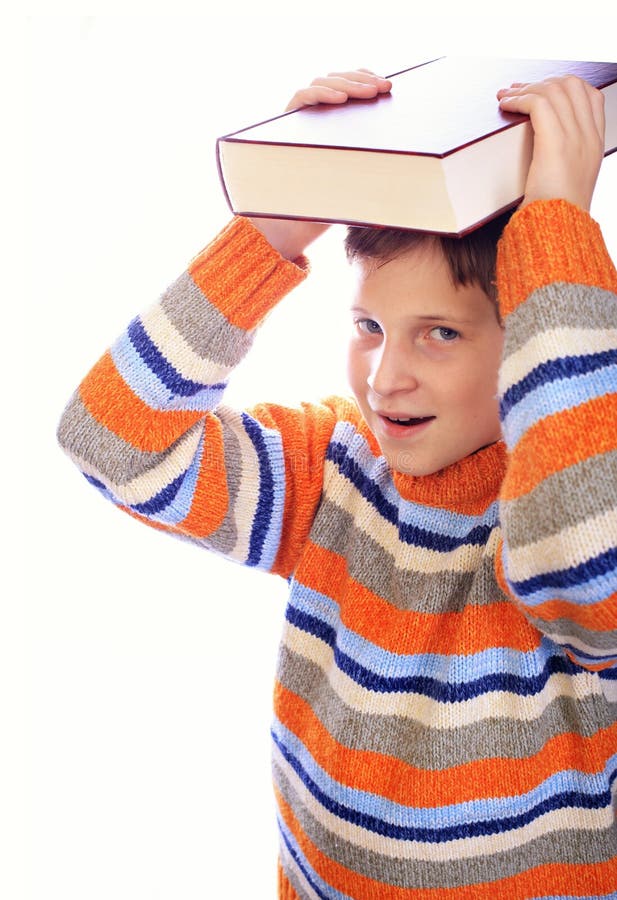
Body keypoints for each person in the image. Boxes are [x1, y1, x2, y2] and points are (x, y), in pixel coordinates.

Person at [57, 68, 617, 897]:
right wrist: (271, 225)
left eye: (438, 333)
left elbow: (583, 567)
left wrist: (558, 227)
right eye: (368, 327)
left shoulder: (568, 505)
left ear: (535, 332)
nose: (385, 378)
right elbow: (111, 442)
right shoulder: (334, 471)